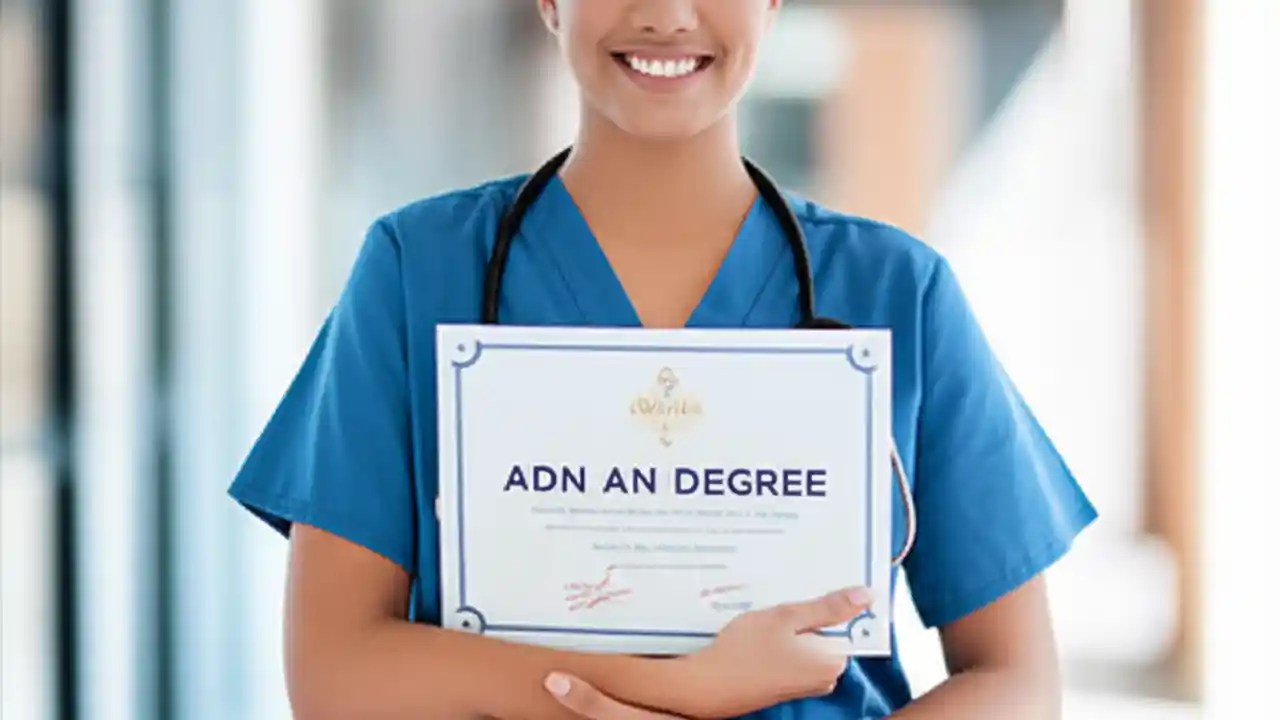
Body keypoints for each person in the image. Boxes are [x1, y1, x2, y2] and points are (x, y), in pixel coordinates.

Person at [227, 1, 1097, 718]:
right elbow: (335, 674)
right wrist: (683, 688)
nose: (667, 15)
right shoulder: (417, 272)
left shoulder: (897, 291)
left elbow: (1016, 678)